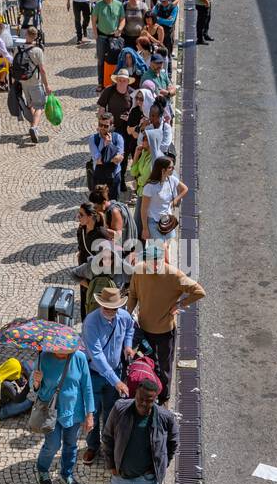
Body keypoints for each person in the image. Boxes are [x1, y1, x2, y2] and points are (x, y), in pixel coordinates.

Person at [126, 243, 205, 402]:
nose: (153, 265)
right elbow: (133, 295)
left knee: (164, 366)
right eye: (150, 261)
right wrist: (127, 316)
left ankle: (163, 396)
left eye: (157, 261)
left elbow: (199, 291)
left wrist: (179, 304)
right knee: (146, 362)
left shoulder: (174, 275)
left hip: (164, 332)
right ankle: (148, 394)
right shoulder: (139, 270)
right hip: (144, 329)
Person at [81, 284, 135, 462]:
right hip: (95, 375)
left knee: (112, 413)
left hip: (117, 372)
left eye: (114, 308)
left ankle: (109, 447)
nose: (111, 311)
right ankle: (92, 446)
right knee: (93, 412)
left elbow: (130, 329)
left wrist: (127, 345)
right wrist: (116, 380)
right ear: (101, 305)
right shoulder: (91, 322)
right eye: (107, 308)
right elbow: (96, 355)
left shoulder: (124, 316)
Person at [32, 345, 95, 484]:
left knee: (71, 445)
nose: (64, 353)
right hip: (50, 413)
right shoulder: (44, 358)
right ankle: (42, 469)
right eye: (60, 350)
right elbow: (34, 388)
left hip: (74, 412)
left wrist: (89, 414)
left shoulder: (79, 357)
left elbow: (87, 386)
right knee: (52, 445)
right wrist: (36, 381)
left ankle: (66, 474)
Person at [141, 155, 187, 247]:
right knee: (160, 248)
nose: (173, 169)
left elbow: (185, 189)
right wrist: (145, 229)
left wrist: (175, 200)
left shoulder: (172, 180)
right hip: (153, 221)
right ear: (162, 170)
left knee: (166, 246)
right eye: (170, 167)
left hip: (167, 220)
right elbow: (143, 209)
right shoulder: (150, 187)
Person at [16, 26, 52, 144]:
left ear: (26, 34)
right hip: (35, 82)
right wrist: (46, 86)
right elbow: (42, 70)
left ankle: (32, 125)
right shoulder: (38, 51)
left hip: (23, 82)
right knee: (40, 105)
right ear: (36, 37)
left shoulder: (18, 49)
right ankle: (34, 127)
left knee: (30, 104)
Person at [92, 0, 125, 85]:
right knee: (101, 60)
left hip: (114, 37)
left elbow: (122, 19)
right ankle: (101, 82)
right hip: (102, 37)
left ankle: (116, 81)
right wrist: (95, 34)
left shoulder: (119, 5)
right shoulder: (98, 5)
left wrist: (119, 29)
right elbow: (93, 20)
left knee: (116, 59)